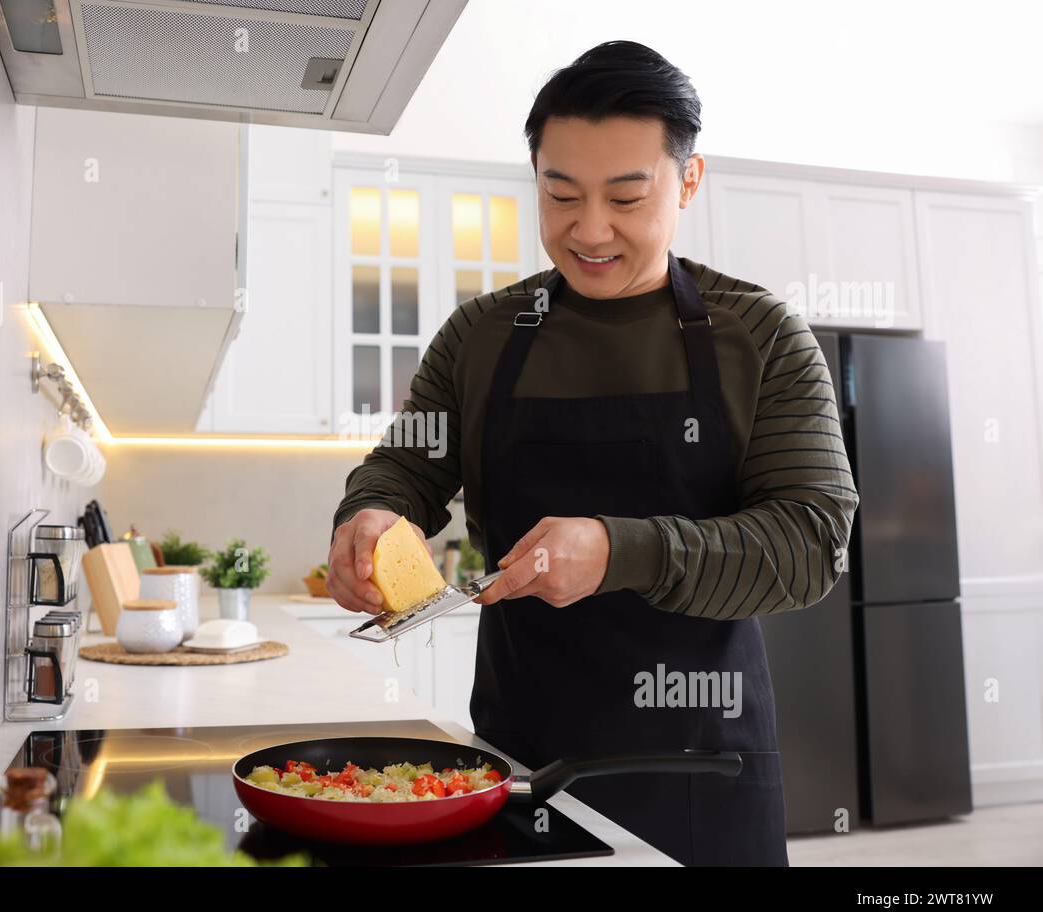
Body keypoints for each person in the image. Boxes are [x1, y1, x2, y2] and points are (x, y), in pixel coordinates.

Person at [327, 40, 859, 866]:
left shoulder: (759, 336)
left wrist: (620, 548)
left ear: (688, 182)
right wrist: (371, 514)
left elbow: (811, 541)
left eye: (626, 197)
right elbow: (406, 466)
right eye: (561, 194)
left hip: (702, 770)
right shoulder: (481, 336)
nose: (590, 229)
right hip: (519, 763)